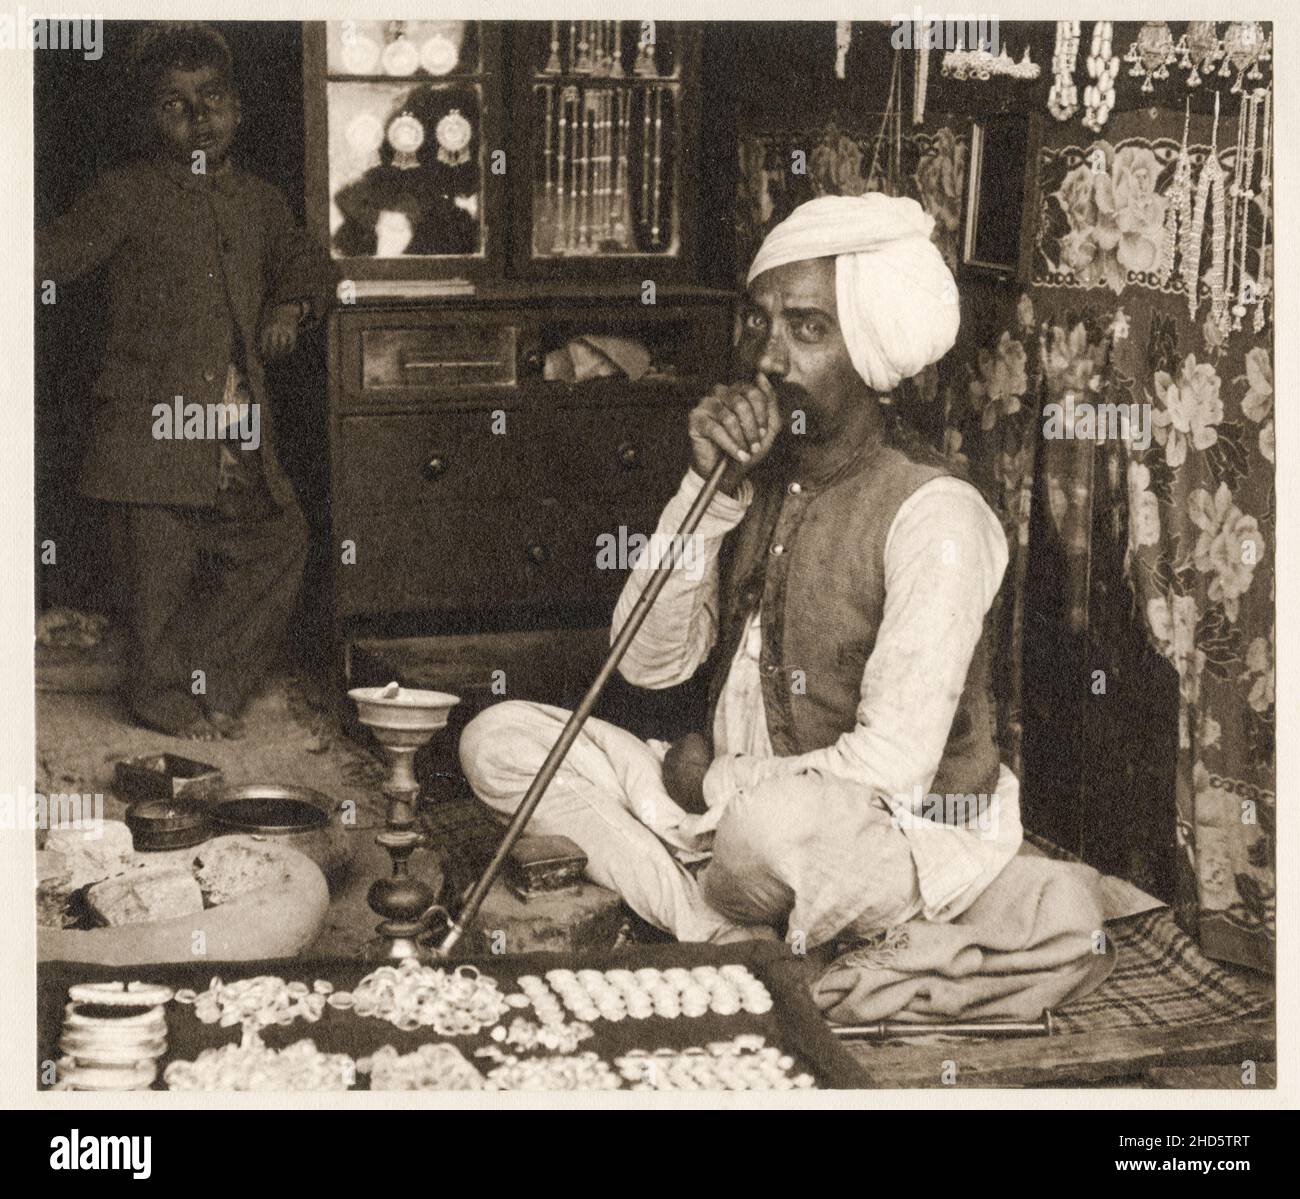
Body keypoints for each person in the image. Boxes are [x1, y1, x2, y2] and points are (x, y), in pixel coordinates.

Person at [459, 193, 1023, 948]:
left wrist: (710, 787)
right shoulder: (752, 473)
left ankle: (696, 897)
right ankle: (708, 926)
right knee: (496, 740)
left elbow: (891, 767)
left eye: (808, 328)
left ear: (872, 346)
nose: (767, 357)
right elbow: (647, 666)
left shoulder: (935, 512)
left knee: (763, 837)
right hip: (723, 798)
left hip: (886, 826)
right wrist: (706, 489)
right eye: (758, 320)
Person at [36, 23, 338, 740]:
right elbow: (47, 258)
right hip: (147, 429)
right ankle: (162, 696)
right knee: (158, 576)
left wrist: (290, 307)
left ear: (238, 108)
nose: (199, 118)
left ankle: (215, 680)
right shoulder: (126, 194)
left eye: (213, 100)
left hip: (229, 426)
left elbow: (312, 263)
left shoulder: (260, 200)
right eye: (174, 105)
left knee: (278, 541)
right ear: (148, 118)